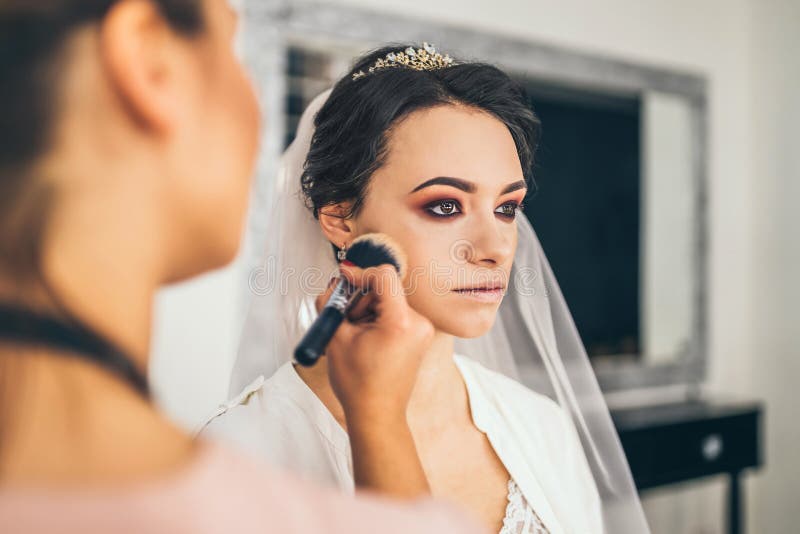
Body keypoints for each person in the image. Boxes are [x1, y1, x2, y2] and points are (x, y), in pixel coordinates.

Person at [0, 2, 485, 532]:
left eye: (509, 208)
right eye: (234, 49)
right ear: (151, 61)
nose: (494, 246)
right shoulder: (265, 501)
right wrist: (381, 423)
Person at [202, 44, 652, 533]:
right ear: (340, 218)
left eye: (506, 209)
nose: (496, 249)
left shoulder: (542, 427)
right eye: (445, 206)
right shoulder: (238, 458)